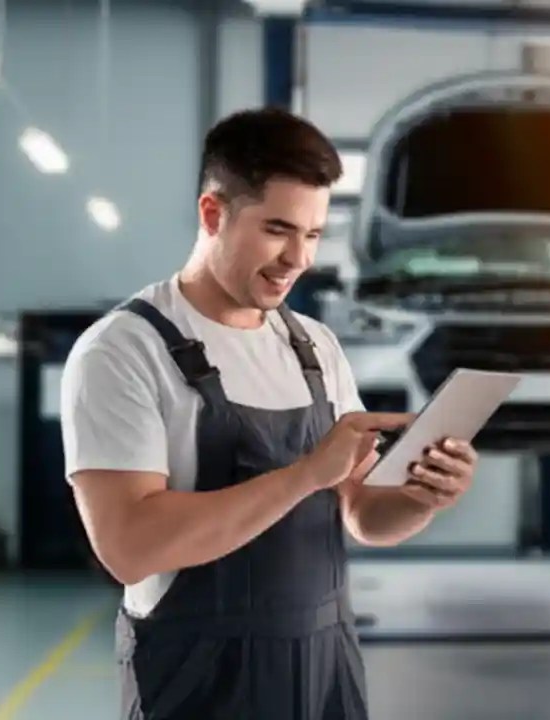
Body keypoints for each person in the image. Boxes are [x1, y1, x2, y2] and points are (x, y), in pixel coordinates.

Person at [59, 107, 479, 719]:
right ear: (213, 213)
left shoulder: (313, 346)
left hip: (326, 666)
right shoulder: (124, 351)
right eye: (278, 230)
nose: (298, 259)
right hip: (198, 678)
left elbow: (360, 512)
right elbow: (128, 546)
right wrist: (306, 473)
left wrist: (424, 495)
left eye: (312, 234)